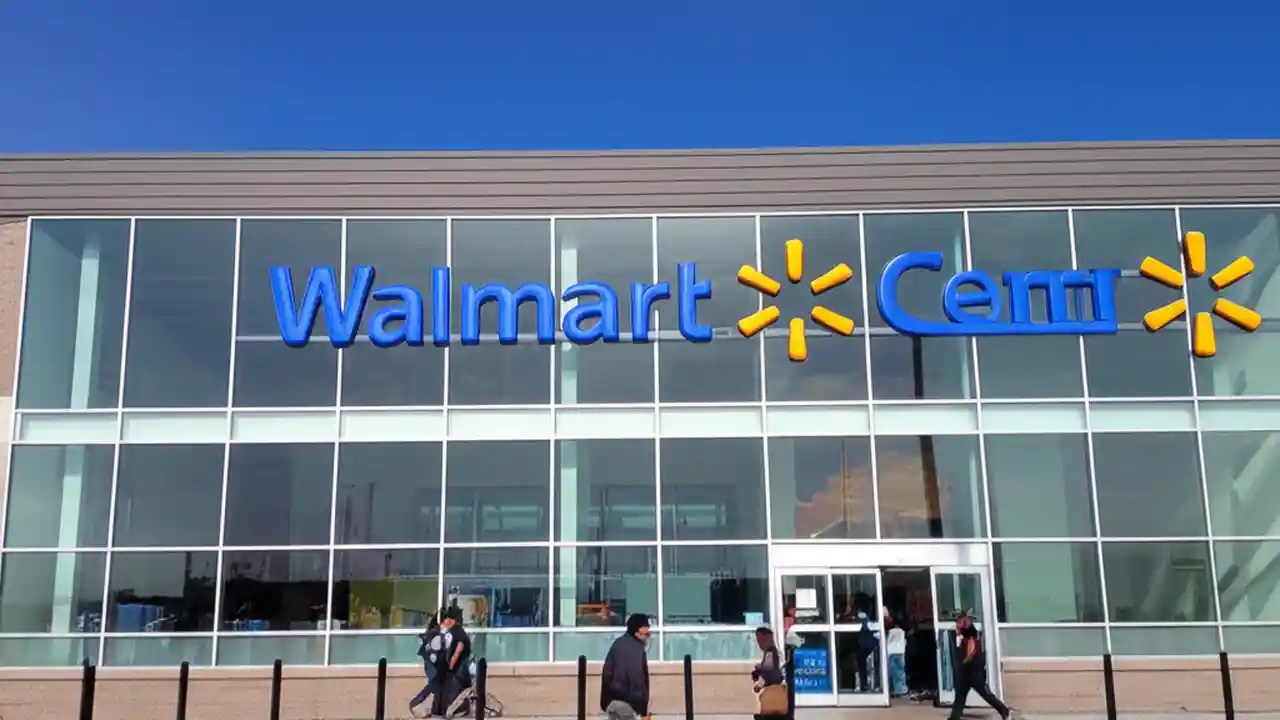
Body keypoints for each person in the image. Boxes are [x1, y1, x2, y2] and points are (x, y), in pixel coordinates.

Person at [948, 611, 1013, 720]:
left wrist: (964, 663)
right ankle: (954, 718)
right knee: (959, 698)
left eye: (961, 622)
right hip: (963, 674)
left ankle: (1005, 711)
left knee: (986, 695)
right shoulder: (955, 635)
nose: (958, 624)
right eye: (957, 622)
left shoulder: (972, 634)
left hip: (974, 673)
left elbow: (972, 652)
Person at [601, 613, 651, 720]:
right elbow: (637, 677)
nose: (648, 635)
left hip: (613, 702)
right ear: (637, 630)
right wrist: (642, 709)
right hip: (629, 704)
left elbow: (607, 673)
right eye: (646, 632)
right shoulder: (636, 649)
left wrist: (605, 702)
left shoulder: (617, 644)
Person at [437, 607, 473, 717]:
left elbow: (458, 651)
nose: (445, 622)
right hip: (458, 672)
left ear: (454, 620)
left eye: (448, 619)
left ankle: (452, 711)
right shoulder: (454, 633)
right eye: (445, 619)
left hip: (458, 672)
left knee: (453, 693)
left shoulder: (458, 634)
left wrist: (450, 667)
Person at [409, 613, 444, 717]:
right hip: (432, 660)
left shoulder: (438, 632)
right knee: (435, 683)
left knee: (436, 684)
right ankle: (417, 704)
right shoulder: (436, 632)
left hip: (432, 660)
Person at [751, 627, 787, 719]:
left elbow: (771, 672)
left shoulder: (771, 652)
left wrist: (759, 684)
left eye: (760, 639)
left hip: (773, 696)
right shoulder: (772, 652)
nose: (759, 643)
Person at [885, 617, 907, 697]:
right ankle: (902, 689)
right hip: (901, 652)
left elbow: (888, 641)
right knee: (901, 671)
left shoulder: (891, 631)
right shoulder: (902, 631)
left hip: (892, 652)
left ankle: (894, 690)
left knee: (893, 672)